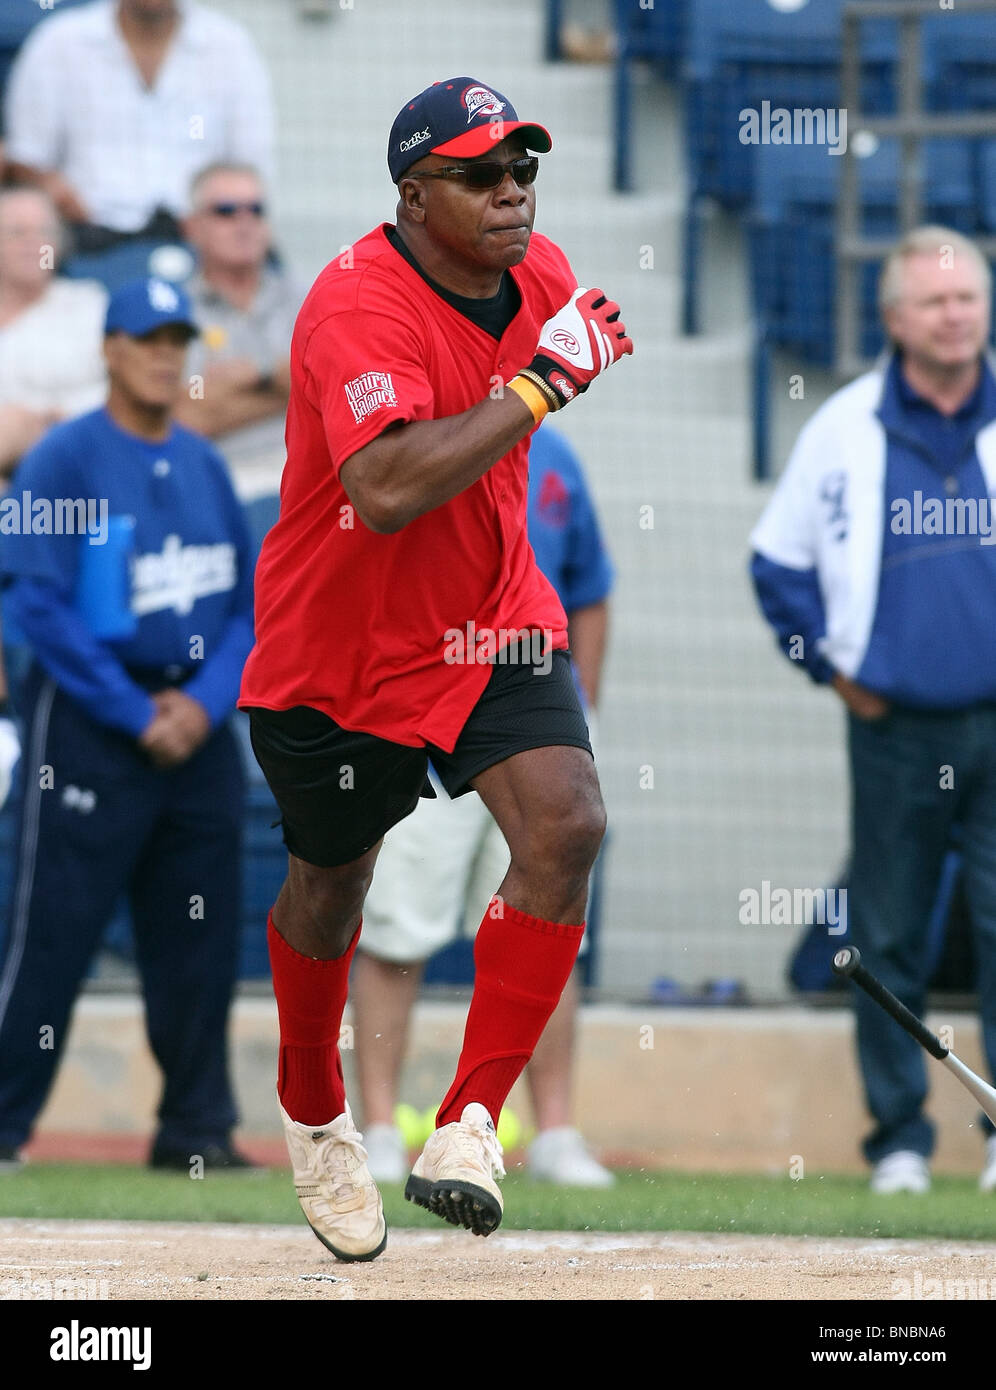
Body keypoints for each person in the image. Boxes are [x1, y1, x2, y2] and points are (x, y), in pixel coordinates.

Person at [239, 76, 632, 1260]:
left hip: (490, 621)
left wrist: (534, 381)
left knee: (566, 826)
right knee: (332, 887)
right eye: (478, 175)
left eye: (523, 170)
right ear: (414, 194)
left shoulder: (542, 273)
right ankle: (315, 1105)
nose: (511, 195)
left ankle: (470, 1121)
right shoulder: (354, 304)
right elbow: (388, 487)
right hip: (341, 648)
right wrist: (536, 386)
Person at [750, 225, 996, 1195]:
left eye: (969, 297)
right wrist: (832, 672)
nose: (955, 314)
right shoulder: (844, 426)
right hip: (892, 725)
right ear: (894, 317)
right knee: (887, 929)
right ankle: (899, 1139)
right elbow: (776, 566)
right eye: (934, 301)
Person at [0, 276, 255, 1173]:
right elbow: (37, 602)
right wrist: (131, 709)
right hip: (89, 725)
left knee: (198, 939)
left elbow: (248, 610)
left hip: (195, 728)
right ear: (109, 349)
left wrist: (204, 703)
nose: (162, 355)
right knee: (48, 939)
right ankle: (1, 1129)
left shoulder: (203, 465)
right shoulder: (63, 459)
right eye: (147, 338)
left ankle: (196, 1130)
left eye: (176, 339)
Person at [352, 421, 616, 1187]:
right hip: (426, 711)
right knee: (398, 930)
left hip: (524, 720)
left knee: (548, 923)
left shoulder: (557, 454)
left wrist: (581, 707)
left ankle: (554, 1129)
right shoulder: (419, 443)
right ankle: (376, 1127)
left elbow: (592, 588)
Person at [3, 0, 274, 250]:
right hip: (86, 243)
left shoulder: (230, 47)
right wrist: (52, 189)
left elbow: (250, 168)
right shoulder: (58, 43)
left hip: (198, 245)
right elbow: (26, 160)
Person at [175, 162, 302, 499]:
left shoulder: (310, 296)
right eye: (226, 211)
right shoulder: (175, 314)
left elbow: (337, 380)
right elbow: (185, 418)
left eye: (256, 210)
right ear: (192, 227)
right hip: (221, 484)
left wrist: (253, 372)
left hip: (311, 479)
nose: (245, 223)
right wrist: (291, 387)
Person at [0, 187, 107, 476]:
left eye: (44, 232)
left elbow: (122, 387)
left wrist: (43, 421)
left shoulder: (88, 305)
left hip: (73, 453)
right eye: (17, 232)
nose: (33, 243)